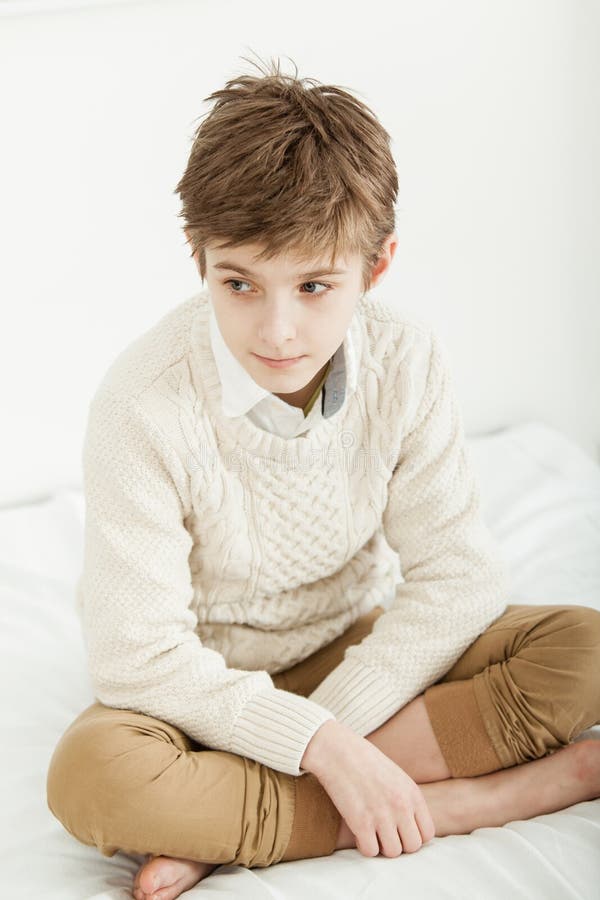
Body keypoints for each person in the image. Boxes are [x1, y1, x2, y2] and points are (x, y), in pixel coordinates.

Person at [46, 54, 600, 900]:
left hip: (353, 647)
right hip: (199, 689)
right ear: (197, 259)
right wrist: (329, 753)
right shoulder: (143, 400)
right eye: (240, 284)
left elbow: (459, 577)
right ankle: (463, 805)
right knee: (92, 778)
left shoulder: (405, 359)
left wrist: (329, 722)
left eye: (314, 286)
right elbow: (139, 656)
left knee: (583, 652)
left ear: (375, 269)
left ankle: (239, 825)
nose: (277, 330)